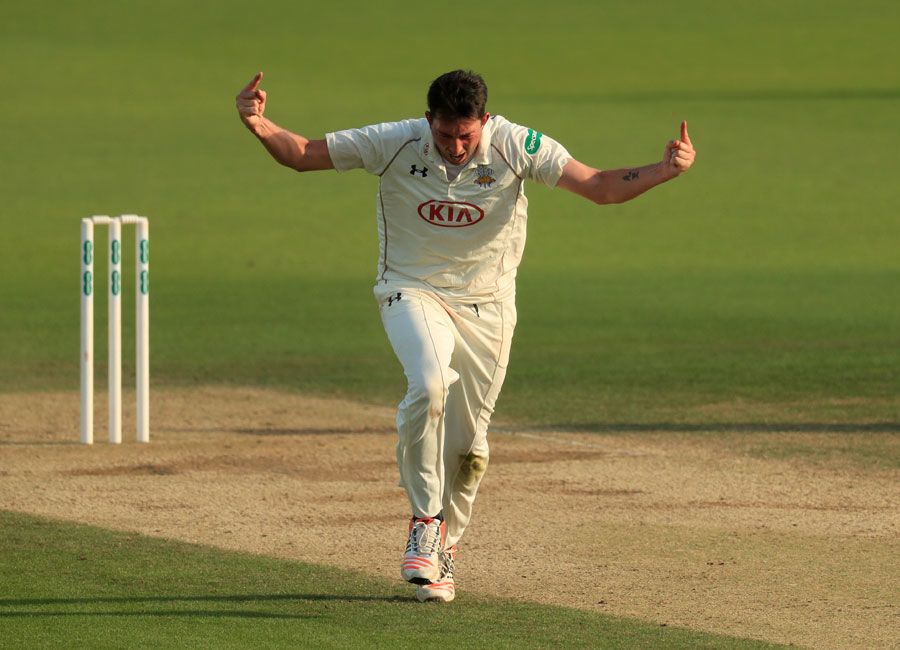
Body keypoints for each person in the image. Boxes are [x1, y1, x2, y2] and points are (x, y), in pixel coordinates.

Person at [235, 69, 696, 603]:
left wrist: (664, 170)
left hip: (489, 307)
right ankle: (425, 521)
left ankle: (443, 551)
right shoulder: (395, 140)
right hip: (412, 289)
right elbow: (303, 154)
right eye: (444, 134)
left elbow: (599, 187)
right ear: (428, 119)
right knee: (429, 384)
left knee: (469, 450)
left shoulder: (518, 145)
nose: (454, 147)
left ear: (485, 121)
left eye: (466, 135)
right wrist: (257, 122)